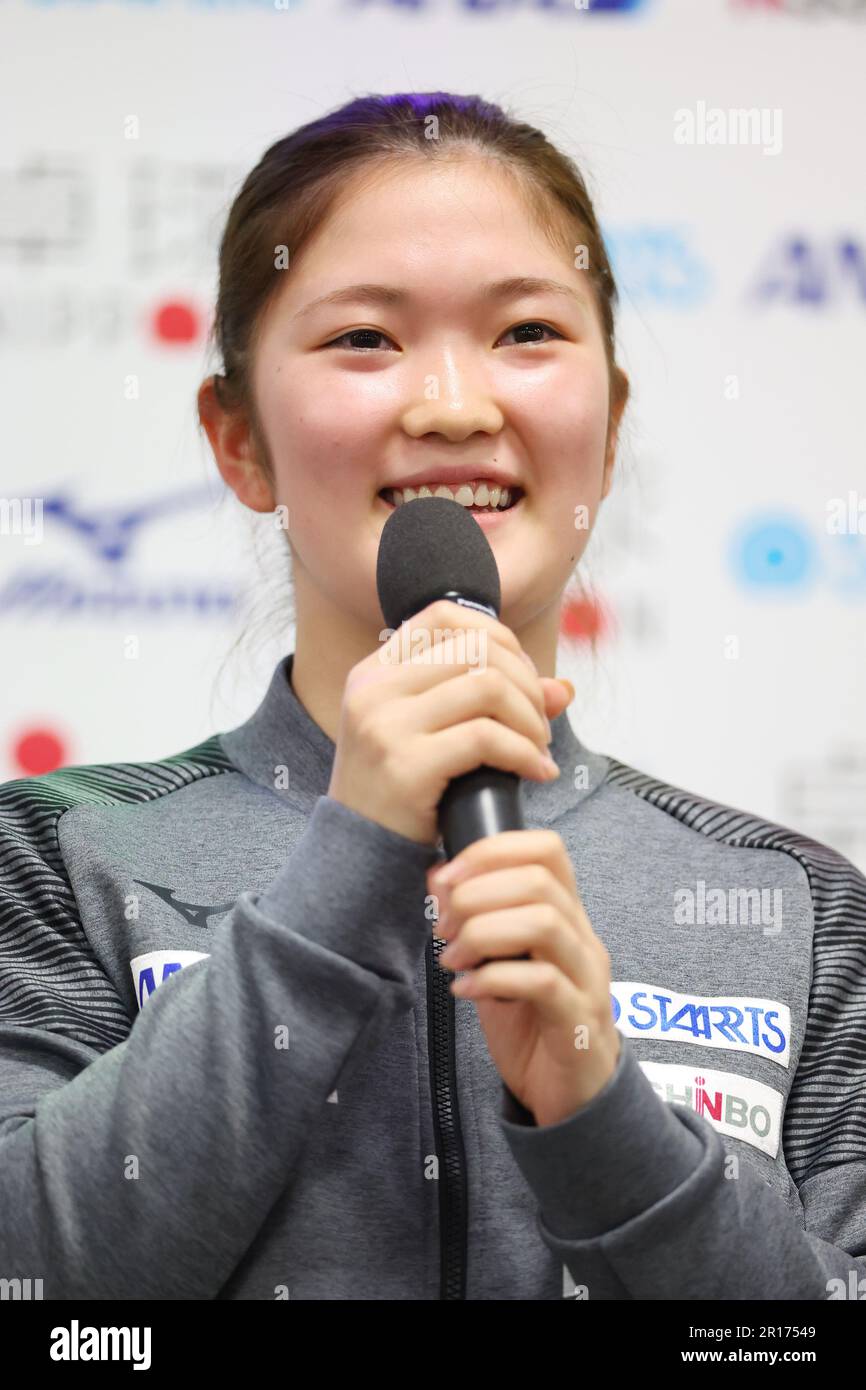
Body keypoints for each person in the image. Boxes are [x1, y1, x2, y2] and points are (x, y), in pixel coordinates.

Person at [1, 92, 864, 1302]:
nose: (454, 403)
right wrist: (343, 863)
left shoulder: (798, 913)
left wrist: (594, 1110)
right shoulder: (57, 855)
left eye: (523, 332)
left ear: (608, 430)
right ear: (238, 440)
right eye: (363, 339)